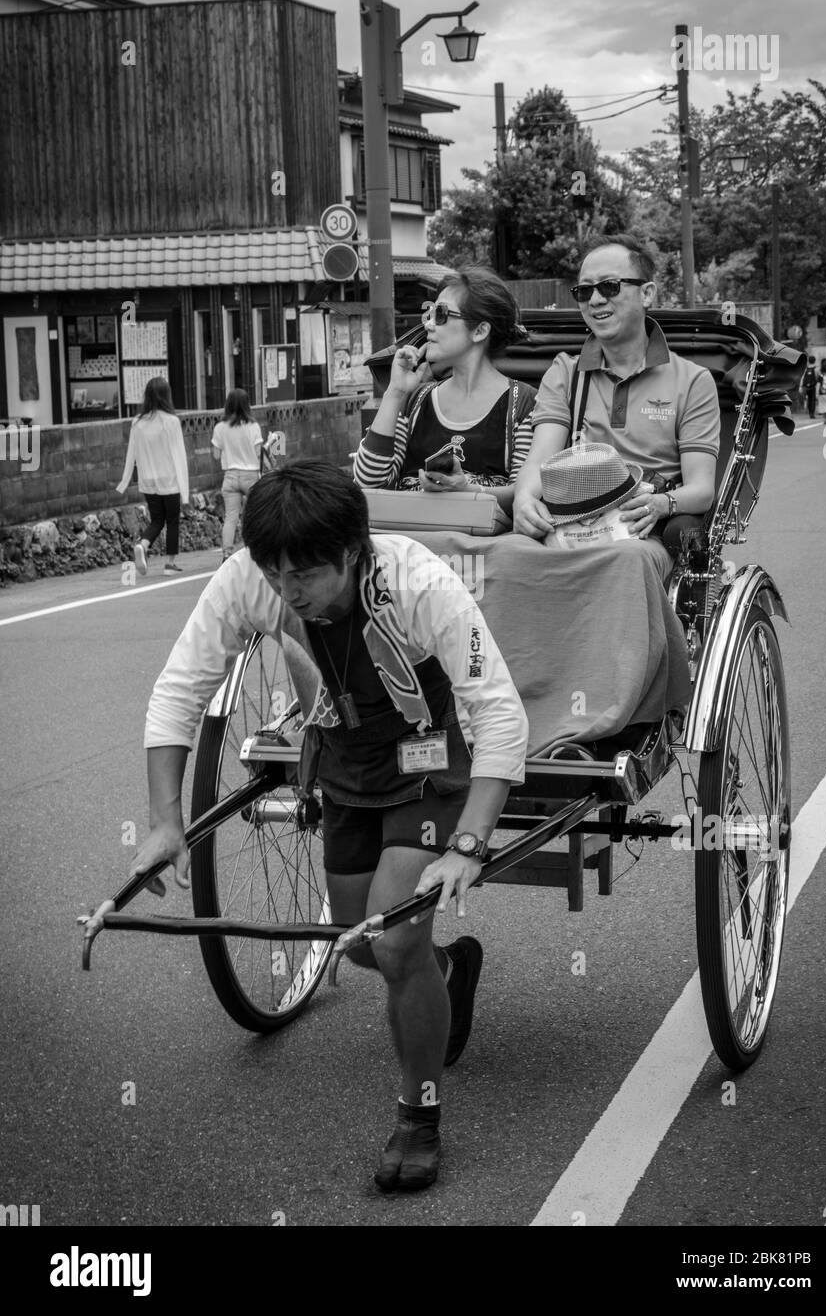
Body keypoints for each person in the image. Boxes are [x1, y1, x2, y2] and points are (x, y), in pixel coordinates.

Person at [130, 459, 528, 1193]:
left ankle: (418, 1111)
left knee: (393, 934)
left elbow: (501, 713)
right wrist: (162, 822)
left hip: (429, 761)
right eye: (275, 576)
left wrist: (470, 843)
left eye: (306, 576)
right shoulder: (251, 579)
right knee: (356, 949)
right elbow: (177, 691)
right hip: (345, 765)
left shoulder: (419, 585)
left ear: (352, 551)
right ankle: (444, 974)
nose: (288, 593)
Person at [513, 234, 720, 572]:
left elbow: (701, 490)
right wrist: (524, 499)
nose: (594, 300)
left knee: (625, 560)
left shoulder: (693, 380)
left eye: (608, 287)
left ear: (647, 293)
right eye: (584, 291)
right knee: (508, 553)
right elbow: (539, 461)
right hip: (572, 523)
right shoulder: (565, 372)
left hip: (643, 531)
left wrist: (660, 504)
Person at [352, 267, 535, 518]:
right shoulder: (416, 400)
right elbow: (368, 483)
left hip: (480, 552)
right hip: (413, 548)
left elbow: (523, 496)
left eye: (441, 314)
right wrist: (395, 392)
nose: (428, 324)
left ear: (480, 330)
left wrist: (465, 488)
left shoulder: (524, 405)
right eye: (429, 312)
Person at [116, 377, 189, 574]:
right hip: (170, 479)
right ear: (167, 396)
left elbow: (131, 453)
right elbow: (179, 454)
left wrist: (124, 481)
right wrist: (185, 488)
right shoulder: (171, 421)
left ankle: (143, 545)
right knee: (172, 520)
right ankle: (170, 564)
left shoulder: (137, 423)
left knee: (157, 519)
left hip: (148, 480)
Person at [211, 389, 263, 562]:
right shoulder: (253, 426)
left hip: (231, 476)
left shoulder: (220, 427)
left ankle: (226, 553)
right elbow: (258, 453)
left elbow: (216, 455)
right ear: (247, 405)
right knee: (251, 515)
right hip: (251, 476)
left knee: (231, 516)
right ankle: (251, 550)